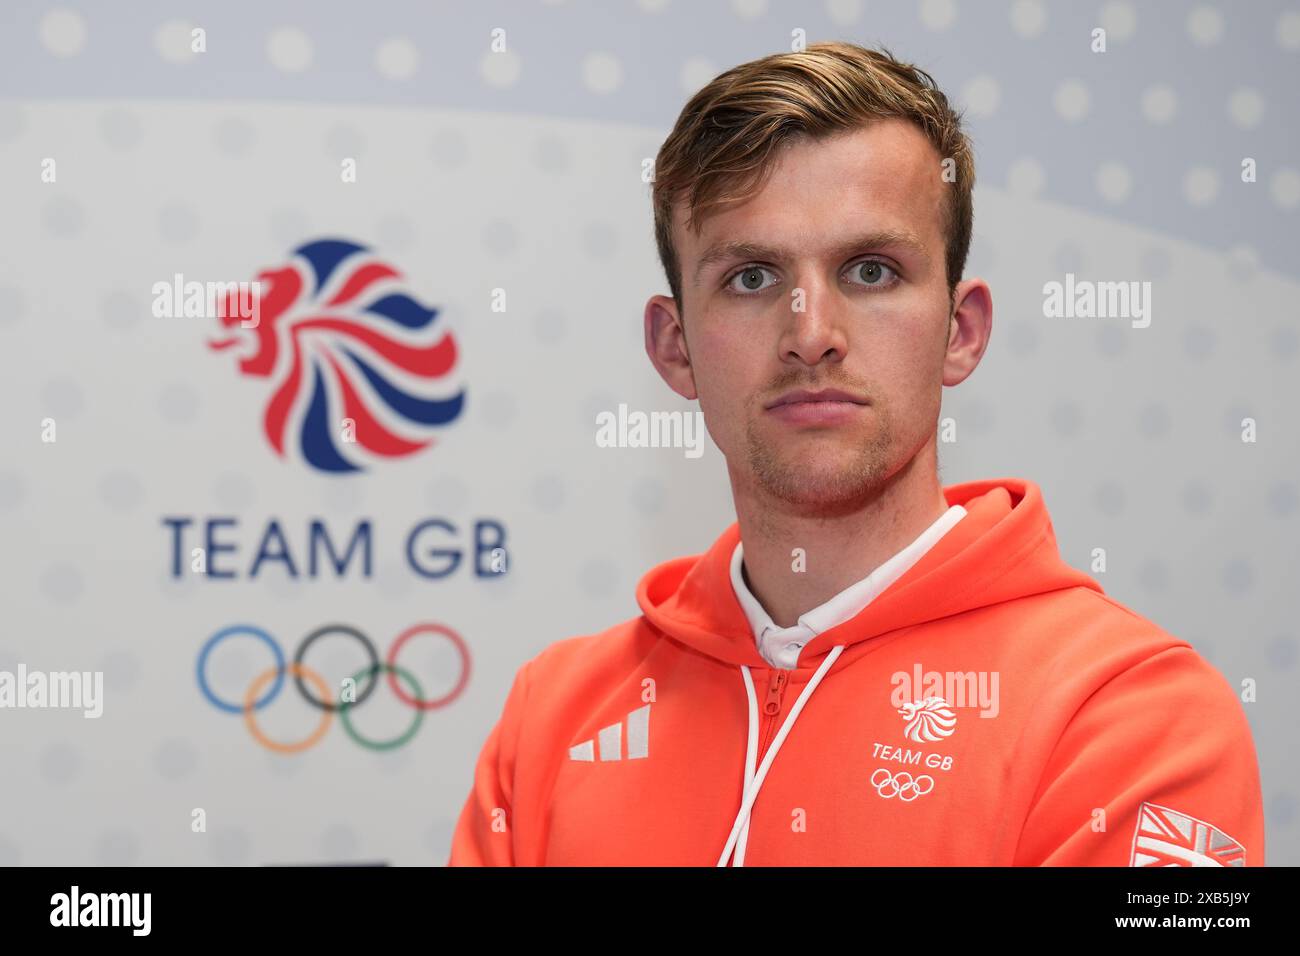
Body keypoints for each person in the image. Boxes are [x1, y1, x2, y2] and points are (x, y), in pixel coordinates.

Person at [448, 41, 1264, 866]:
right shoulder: (551, 720)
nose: (811, 336)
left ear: (961, 330)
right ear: (675, 348)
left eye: (870, 271)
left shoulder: (1133, 712)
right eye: (753, 278)